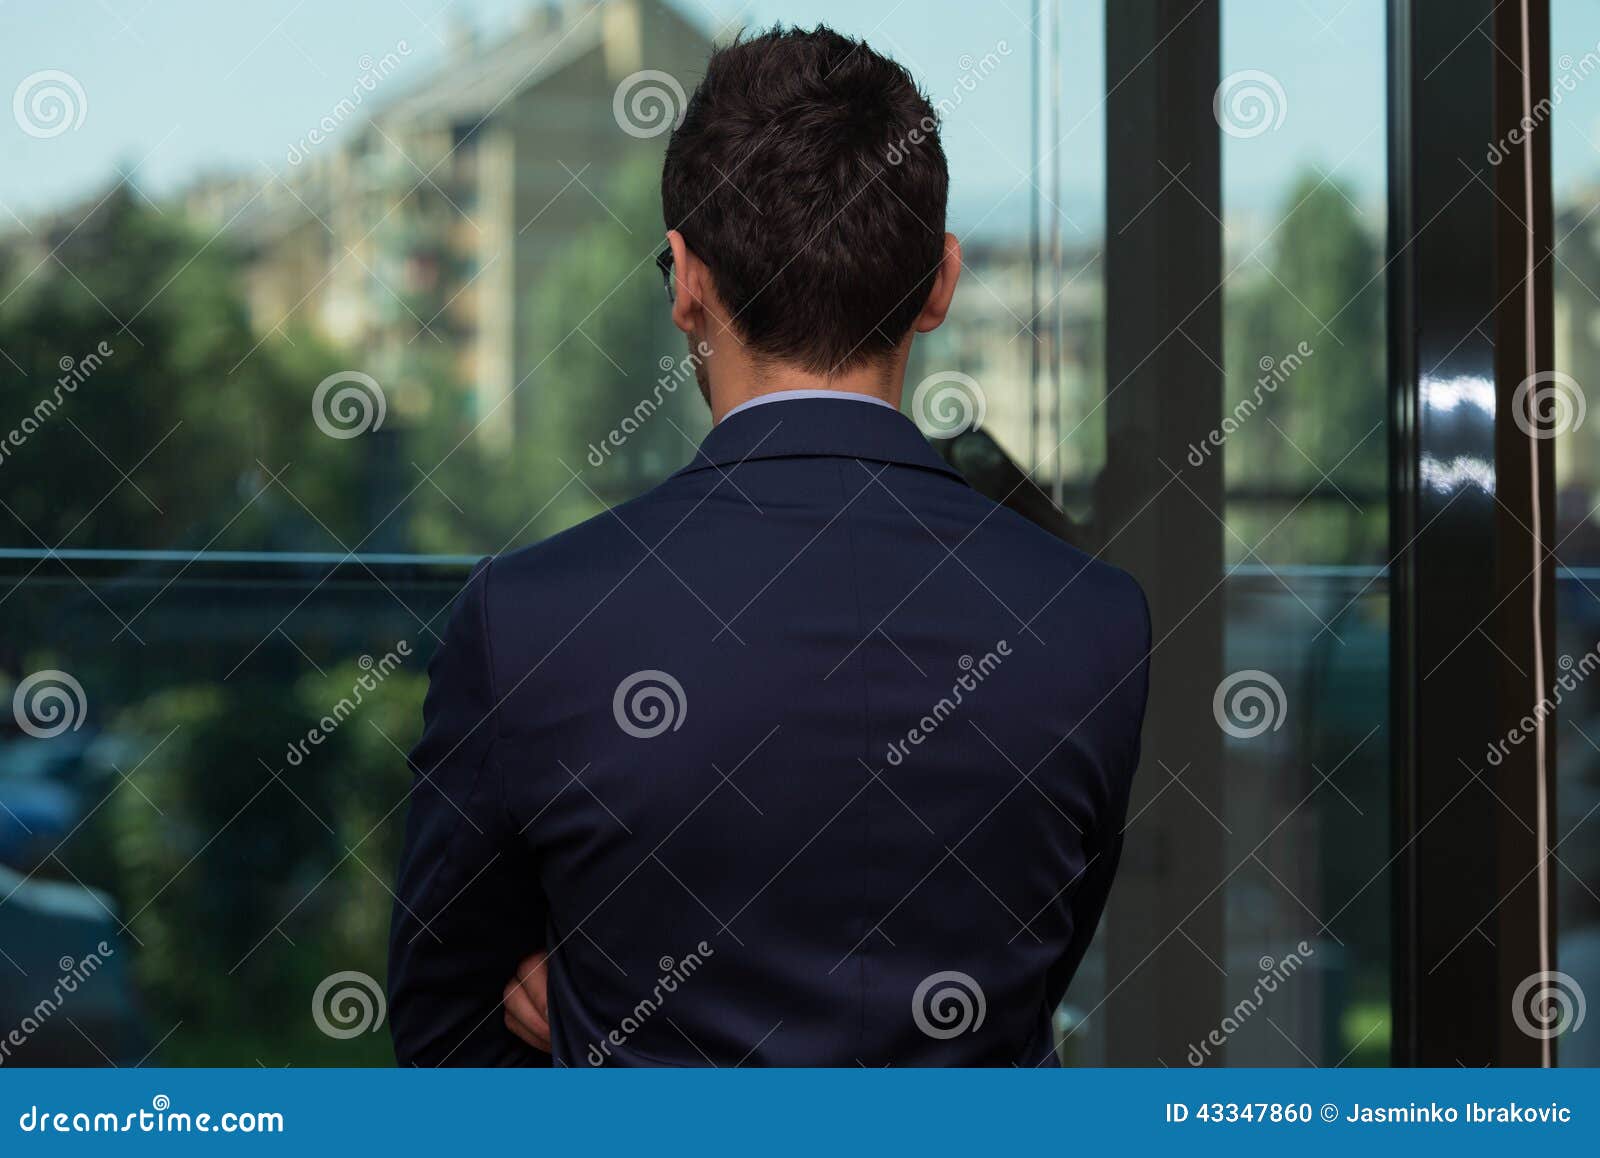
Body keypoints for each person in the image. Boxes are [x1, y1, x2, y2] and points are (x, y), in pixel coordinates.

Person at [388, 24, 1149, 1067]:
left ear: (685, 282)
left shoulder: (527, 622)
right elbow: (1023, 989)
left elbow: (446, 1035)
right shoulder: (1092, 622)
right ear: (941, 283)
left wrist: (603, 1025)